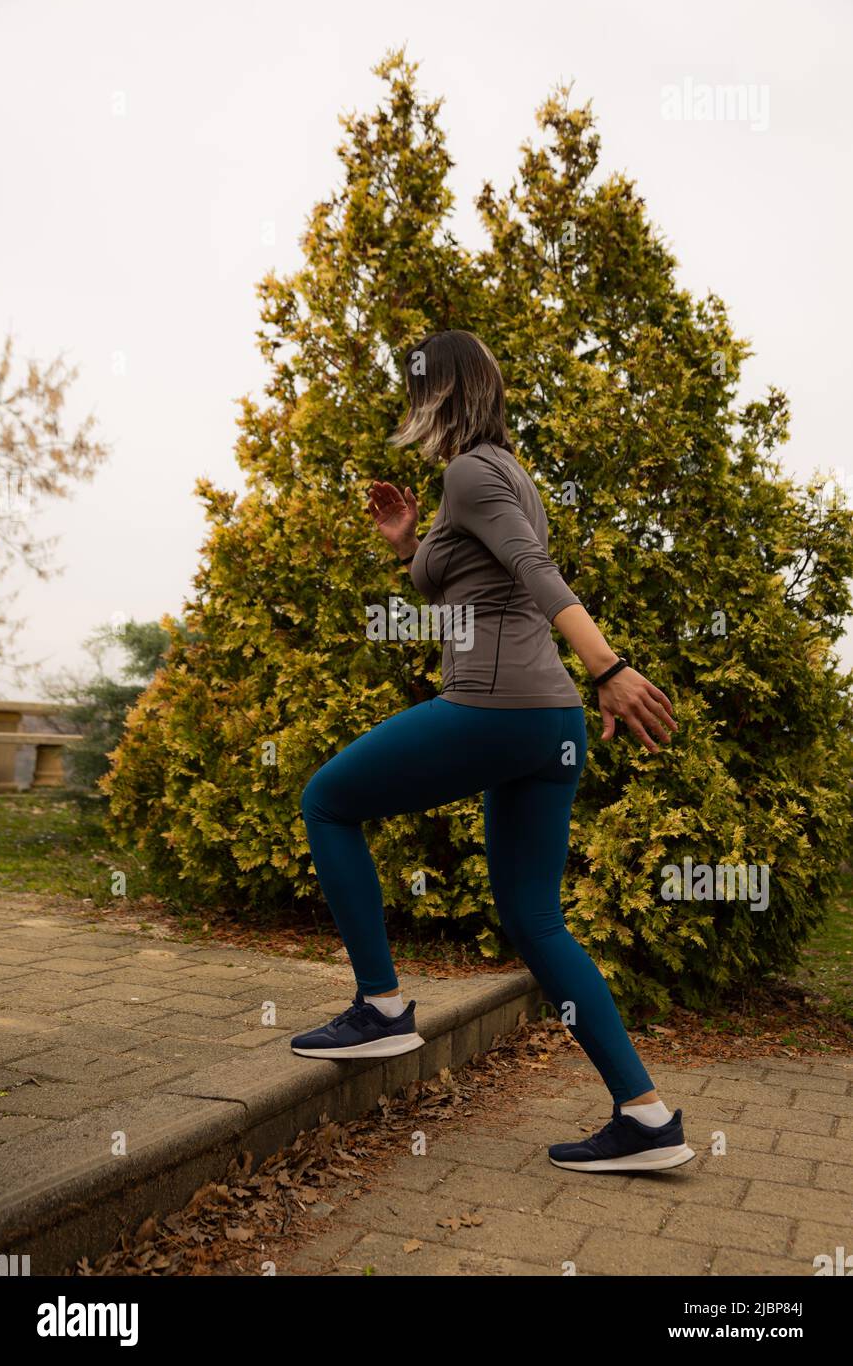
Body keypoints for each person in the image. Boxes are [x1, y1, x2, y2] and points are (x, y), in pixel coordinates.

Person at [291, 329, 694, 1173]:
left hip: (496, 707)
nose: (411, 408)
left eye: (416, 391)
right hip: (547, 727)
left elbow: (533, 569)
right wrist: (409, 544)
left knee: (327, 801)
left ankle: (381, 1007)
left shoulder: (470, 472)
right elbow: (475, 581)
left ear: (440, 392)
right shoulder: (503, 475)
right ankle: (647, 1118)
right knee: (535, 921)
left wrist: (609, 666)